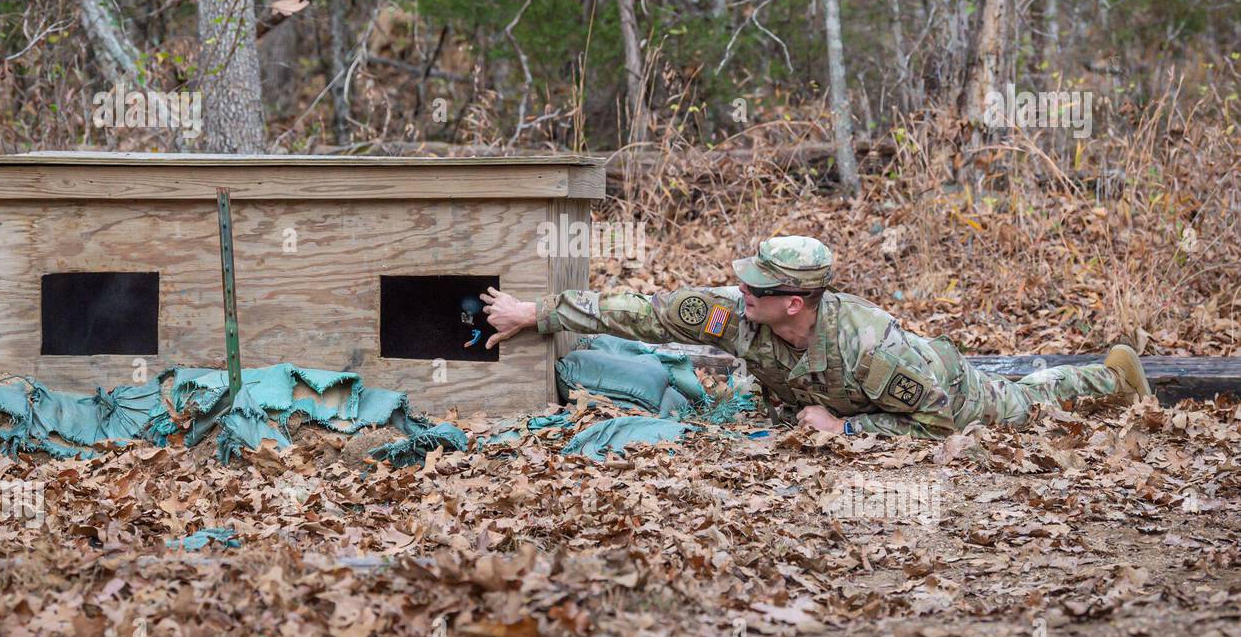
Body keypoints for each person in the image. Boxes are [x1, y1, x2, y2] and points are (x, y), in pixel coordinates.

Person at [481, 235, 1152, 439]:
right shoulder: (739, 311)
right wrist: (537, 314)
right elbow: (642, 312)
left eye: (754, 289)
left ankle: (1112, 378)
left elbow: (936, 426)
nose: (737, 293)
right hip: (829, 395)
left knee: (1023, 403)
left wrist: (848, 432)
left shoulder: (874, 350)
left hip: (944, 390)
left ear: (793, 301)